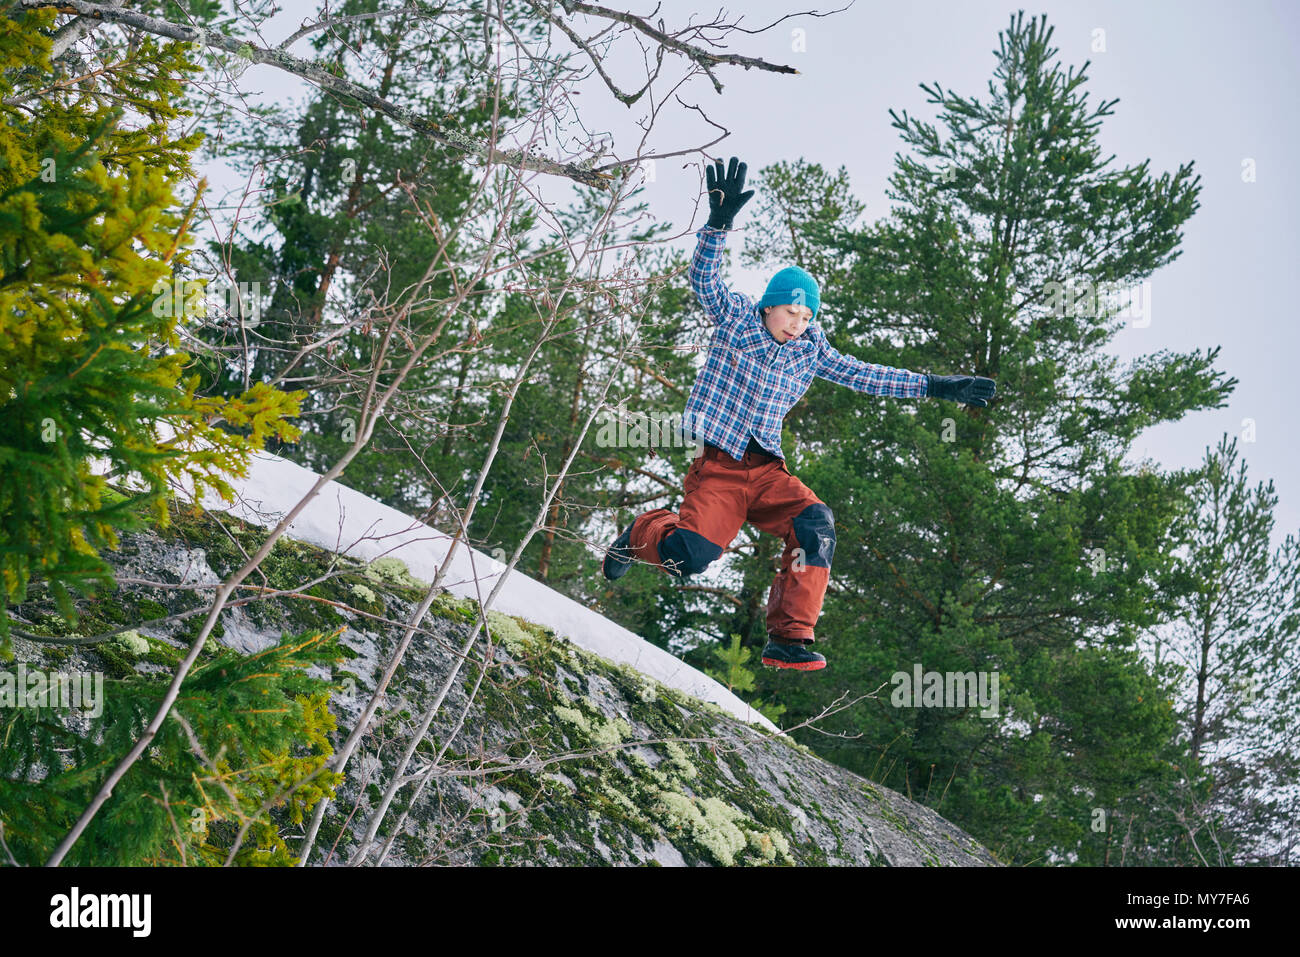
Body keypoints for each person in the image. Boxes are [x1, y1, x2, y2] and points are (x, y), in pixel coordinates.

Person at [602, 156, 995, 671]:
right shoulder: (737, 318)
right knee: (690, 559)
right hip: (718, 466)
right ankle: (644, 531)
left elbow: (865, 374)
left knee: (816, 523)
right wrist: (718, 225)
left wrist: (937, 386)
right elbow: (704, 280)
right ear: (770, 305)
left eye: (807, 316)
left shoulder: (811, 348)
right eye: (791, 311)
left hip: (767, 472)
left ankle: (789, 636)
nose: (797, 323)